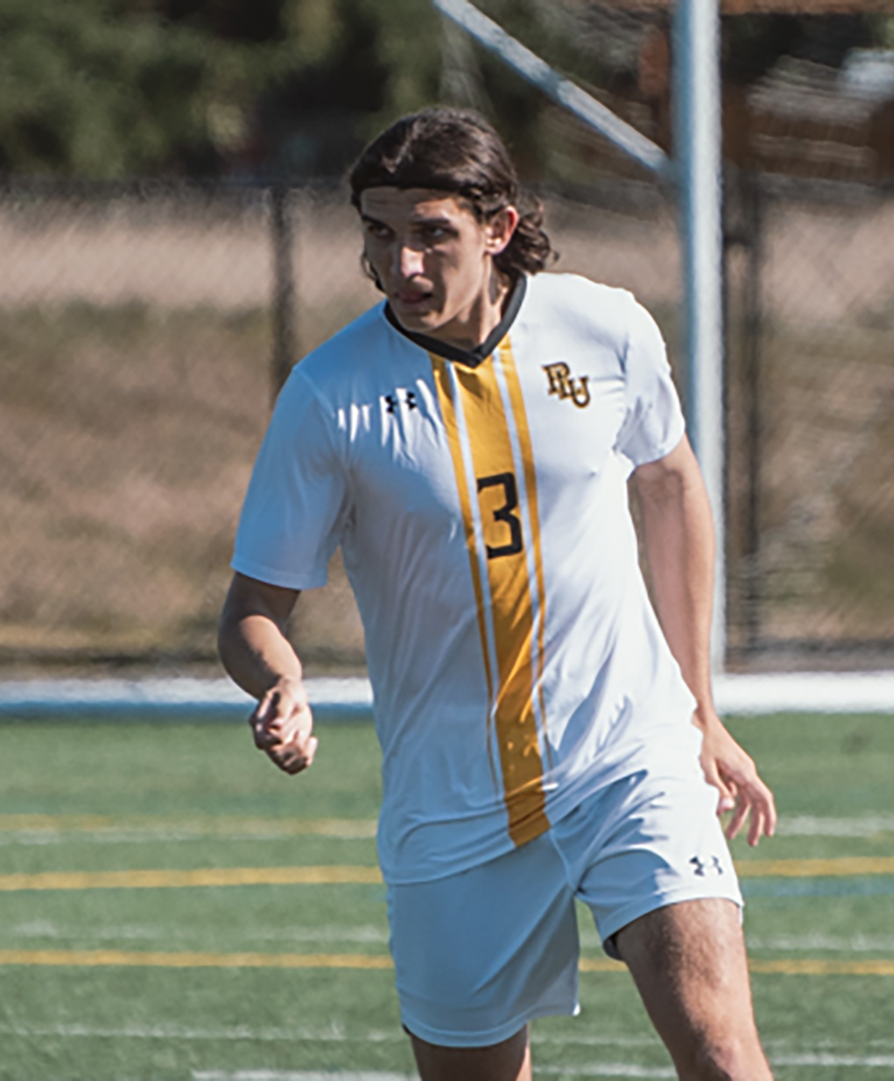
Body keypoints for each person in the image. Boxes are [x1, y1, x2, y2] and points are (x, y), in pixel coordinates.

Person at [217, 107, 777, 1081]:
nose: (403, 266)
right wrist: (280, 681)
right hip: (454, 803)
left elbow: (670, 485)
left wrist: (700, 711)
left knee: (723, 1054)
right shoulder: (329, 396)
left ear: (498, 228)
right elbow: (251, 609)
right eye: (380, 234)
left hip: (628, 756)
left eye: (431, 233)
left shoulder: (605, 329)